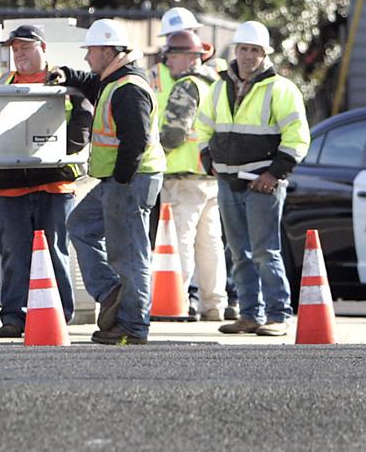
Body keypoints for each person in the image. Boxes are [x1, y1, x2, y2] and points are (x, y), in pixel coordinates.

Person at [50, 18, 166, 345]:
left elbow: (136, 140)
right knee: (80, 226)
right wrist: (67, 74)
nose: (87, 57)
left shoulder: (128, 88)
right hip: (120, 180)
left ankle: (132, 325)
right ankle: (110, 292)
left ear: (108, 50)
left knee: (129, 255)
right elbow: (91, 82)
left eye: (91, 51)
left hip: (129, 180)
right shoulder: (114, 80)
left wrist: (122, 180)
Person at [196, 20, 310, 337]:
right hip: (228, 182)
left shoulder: (280, 89)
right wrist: (208, 160)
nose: (248, 56)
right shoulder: (218, 87)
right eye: (243, 49)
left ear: (264, 54)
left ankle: (278, 314)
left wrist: (274, 174)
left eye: (254, 51)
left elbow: (298, 138)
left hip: (263, 184)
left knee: (265, 252)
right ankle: (249, 315)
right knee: (239, 253)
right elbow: (202, 128)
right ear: (236, 51)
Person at [0, 25, 93, 338]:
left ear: (43, 47)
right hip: (10, 183)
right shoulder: (1, 82)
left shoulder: (62, 80)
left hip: (55, 182)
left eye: (26, 48)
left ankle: (59, 315)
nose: (19, 54)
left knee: (56, 253)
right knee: (13, 254)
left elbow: (83, 114)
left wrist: (66, 146)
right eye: (15, 49)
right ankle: (14, 319)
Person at [157, 29, 227, 321]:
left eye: (172, 57)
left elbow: (174, 134)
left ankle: (177, 301)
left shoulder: (185, 86)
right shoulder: (215, 83)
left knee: (179, 241)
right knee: (210, 243)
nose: (168, 63)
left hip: (182, 177)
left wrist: (152, 151)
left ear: (189, 58)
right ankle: (214, 304)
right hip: (210, 176)